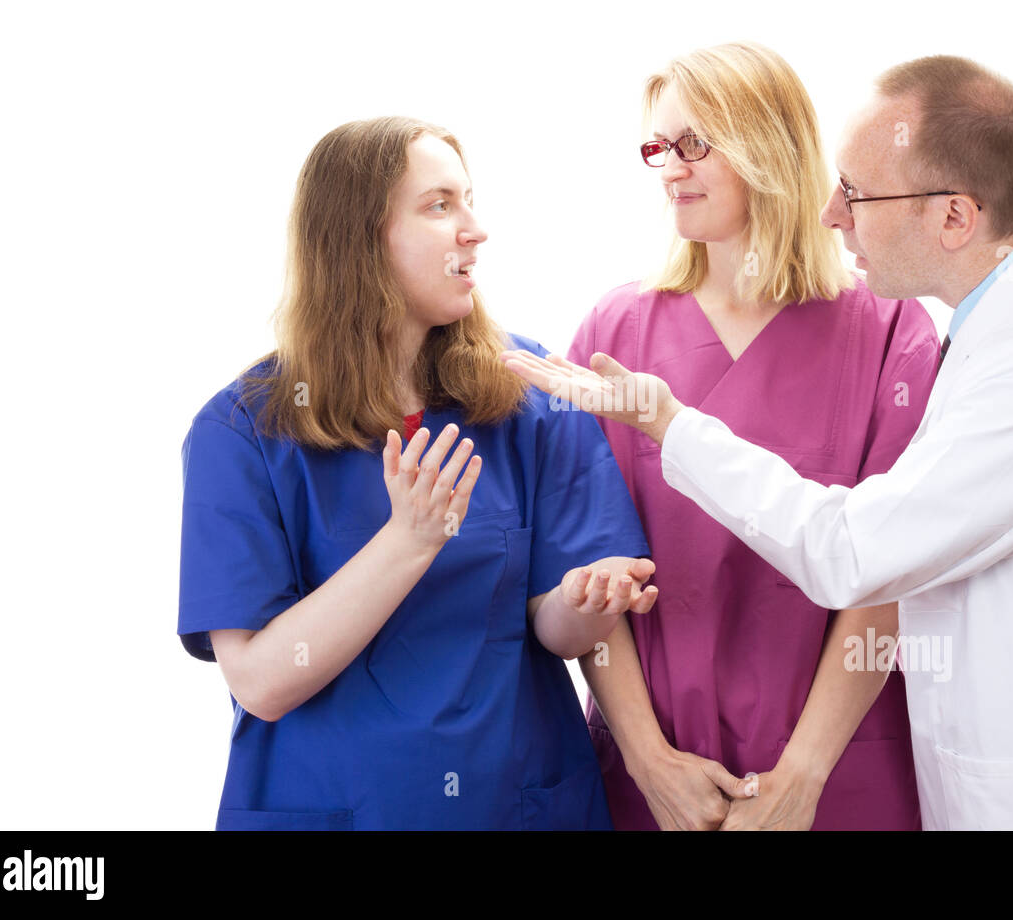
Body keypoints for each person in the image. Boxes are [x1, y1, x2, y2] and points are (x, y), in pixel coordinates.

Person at [504, 55, 1013, 829]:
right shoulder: (1000, 329)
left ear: (955, 217)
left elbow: (859, 554)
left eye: (855, 190)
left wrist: (667, 420)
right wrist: (648, 760)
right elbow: (579, 569)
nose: (832, 212)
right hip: (1005, 776)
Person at [177, 116, 657, 830]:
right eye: (440, 205)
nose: (475, 229)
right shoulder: (244, 431)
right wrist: (408, 542)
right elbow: (261, 683)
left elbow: (554, 629)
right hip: (334, 805)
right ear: (359, 239)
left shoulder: (524, 394)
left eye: (469, 199)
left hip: (515, 804)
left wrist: (586, 603)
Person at [563, 42, 939, 830]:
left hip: (835, 769)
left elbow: (892, 573)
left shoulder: (890, 333)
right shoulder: (615, 332)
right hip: (661, 778)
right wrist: (647, 759)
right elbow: (580, 573)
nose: (670, 167)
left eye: (695, 143)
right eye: (658, 147)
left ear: (770, 147)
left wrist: (801, 776)